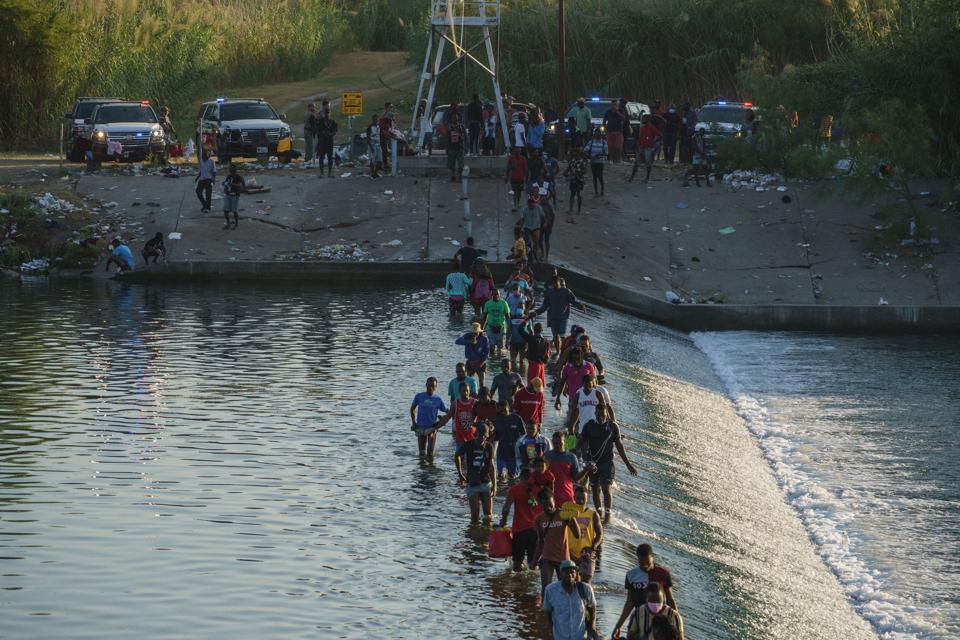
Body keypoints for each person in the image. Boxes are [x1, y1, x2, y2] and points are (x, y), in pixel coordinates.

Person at [576, 401, 637, 522]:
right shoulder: (589, 426)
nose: (600, 417)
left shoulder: (613, 427)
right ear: (595, 413)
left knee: (606, 488)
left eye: (603, 415)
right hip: (592, 463)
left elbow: (619, 446)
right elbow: (581, 442)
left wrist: (628, 465)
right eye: (598, 414)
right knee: (595, 489)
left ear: (606, 414)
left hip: (607, 463)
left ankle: (607, 516)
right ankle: (598, 515)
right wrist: (575, 454)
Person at [611, 543, 679, 639]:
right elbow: (630, 602)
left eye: (648, 562)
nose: (645, 566)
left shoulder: (664, 574)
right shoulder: (631, 575)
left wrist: (677, 622)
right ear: (637, 559)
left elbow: (670, 600)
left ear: (652, 557)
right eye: (641, 563)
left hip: (659, 622)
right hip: (639, 618)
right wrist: (618, 626)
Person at [535, 488, 580, 594]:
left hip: (563, 559)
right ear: (541, 505)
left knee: (566, 587)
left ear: (554, 500)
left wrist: (572, 518)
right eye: (545, 505)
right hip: (547, 558)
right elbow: (540, 540)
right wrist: (535, 559)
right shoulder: (539, 519)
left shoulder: (563, 515)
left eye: (550, 504)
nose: (549, 508)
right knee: (546, 589)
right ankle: (545, 609)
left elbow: (577, 535)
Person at [542, 559, 600, 640]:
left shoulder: (585, 589)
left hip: (580, 637)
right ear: (561, 574)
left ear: (576, 574)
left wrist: (592, 631)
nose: (569, 575)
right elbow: (548, 612)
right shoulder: (550, 590)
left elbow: (592, 610)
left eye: (572, 572)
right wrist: (552, 630)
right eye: (566, 572)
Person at [500, 467, 543, 571]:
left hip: (519, 531)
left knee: (517, 563)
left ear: (520, 476)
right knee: (533, 563)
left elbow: (506, 509)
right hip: (535, 530)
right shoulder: (539, 490)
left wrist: (503, 522)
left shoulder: (514, 489)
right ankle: (532, 583)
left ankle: (518, 583)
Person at [455, 421, 497, 525]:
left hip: (486, 482)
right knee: (475, 515)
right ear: (476, 434)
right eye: (479, 435)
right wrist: (460, 474)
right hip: (472, 483)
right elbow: (457, 455)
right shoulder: (469, 444)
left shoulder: (489, 447)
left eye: (484, 435)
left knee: (488, 515)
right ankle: (474, 535)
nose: (481, 437)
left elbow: (491, 467)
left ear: (487, 435)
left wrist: (494, 485)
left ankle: (487, 537)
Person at [532, 277, 585, 356]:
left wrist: (580, 305)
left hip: (563, 318)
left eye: (556, 284)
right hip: (553, 318)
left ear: (560, 283)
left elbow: (574, 301)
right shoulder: (549, 293)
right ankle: (558, 352)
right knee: (556, 336)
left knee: (562, 335)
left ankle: (564, 351)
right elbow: (544, 307)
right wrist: (535, 313)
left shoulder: (566, 291)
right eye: (553, 284)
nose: (555, 286)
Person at [566, 484, 603, 584]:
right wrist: (569, 553)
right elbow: (561, 535)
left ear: (587, 499)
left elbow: (600, 534)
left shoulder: (593, 514)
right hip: (570, 553)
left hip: (587, 554)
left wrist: (593, 547)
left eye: (583, 498)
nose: (580, 501)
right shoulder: (568, 513)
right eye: (578, 498)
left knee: (586, 584)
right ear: (573, 498)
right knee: (571, 583)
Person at [545, 431, 591, 506]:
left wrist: (586, 470)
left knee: (570, 517)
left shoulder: (571, 457)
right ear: (552, 442)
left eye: (560, 443)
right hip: (550, 495)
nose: (557, 445)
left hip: (567, 495)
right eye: (555, 443)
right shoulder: (546, 456)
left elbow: (576, 478)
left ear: (564, 442)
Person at [410, 377, 449, 459]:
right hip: (420, 427)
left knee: (430, 454)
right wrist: (414, 422)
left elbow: (447, 411)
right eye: (429, 385)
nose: (430, 387)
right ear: (426, 385)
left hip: (432, 428)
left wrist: (443, 419)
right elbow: (412, 408)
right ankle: (422, 470)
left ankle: (430, 469)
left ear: (435, 387)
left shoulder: (438, 399)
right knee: (421, 454)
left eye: (433, 386)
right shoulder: (419, 396)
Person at [555, 348, 597, 421]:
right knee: (571, 420)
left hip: (587, 399)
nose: (575, 361)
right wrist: (558, 398)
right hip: (573, 399)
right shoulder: (568, 367)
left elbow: (595, 383)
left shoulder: (589, 366)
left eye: (577, 358)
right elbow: (562, 382)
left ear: (581, 357)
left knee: (586, 419)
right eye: (573, 359)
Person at [492, 399, 525, 480]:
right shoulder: (496, 421)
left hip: (514, 454)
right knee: (500, 476)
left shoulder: (517, 418)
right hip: (501, 453)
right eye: (500, 410)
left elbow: (524, 435)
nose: (503, 412)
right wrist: (493, 454)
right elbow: (495, 439)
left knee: (512, 477)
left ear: (508, 407)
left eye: (504, 410)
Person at [455, 322, 491, 388]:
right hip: (470, 362)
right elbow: (457, 341)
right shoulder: (467, 336)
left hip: (480, 362)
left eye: (476, 333)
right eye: (473, 333)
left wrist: (480, 364)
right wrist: (468, 341)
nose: (474, 334)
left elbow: (486, 353)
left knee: (482, 382)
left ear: (479, 332)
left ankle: (481, 395)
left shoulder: (484, 339)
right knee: (469, 382)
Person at [448, 380, 478, 452]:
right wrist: (436, 427)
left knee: (470, 458)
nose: (465, 393)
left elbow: (482, 415)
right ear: (459, 391)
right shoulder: (455, 403)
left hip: (472, 436)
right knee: (459, 457)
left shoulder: (475, 403)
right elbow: (447, 417)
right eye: (463, 391)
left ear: (469, 391)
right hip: (460, 437)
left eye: (467, 391)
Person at [631, 114, 660, 184]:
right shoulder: (643, 128)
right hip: (642, 147)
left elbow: (658, 135)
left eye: (644, 119)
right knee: (636, 163)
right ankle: (632, 177)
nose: (642, 120)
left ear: (647, 120)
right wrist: (638, 145)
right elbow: (640, 138)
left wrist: (653, 142)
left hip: (648, 148)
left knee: (647, 163)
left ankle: (646, 178)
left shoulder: (652, 127)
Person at [481, 288, 511, 355]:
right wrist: (481, 329)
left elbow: (508, 317)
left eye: (497, 294)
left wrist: (510, 328)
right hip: (490, 327)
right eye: (494, 294)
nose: (495, 295)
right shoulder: (487, 303)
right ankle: (492, 361)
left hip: (501, 328)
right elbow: (484, 317)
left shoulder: (504, 303)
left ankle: (499, 362)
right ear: (491, 295)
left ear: (499, 295)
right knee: (491, 347)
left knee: (500, 348)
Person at [582, 129, 608, 196]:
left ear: (600, 134)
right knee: (594, 177)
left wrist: (596, 156)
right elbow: (585, 150)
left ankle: (602, 190)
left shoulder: (604, 142)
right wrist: (589, 156)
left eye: (598, 133)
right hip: (593, 162)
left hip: (600, 162)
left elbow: (606, 153)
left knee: (599, 176)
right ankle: (596, 191)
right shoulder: (591, 141)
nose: (597, 135)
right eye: (596, 133)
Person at [564, 147, 587, 223]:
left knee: (578, 194)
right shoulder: (573, 161)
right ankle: (571, 209)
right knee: (573, 194)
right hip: (574, 179)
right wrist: (566, 173)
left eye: (576, 154)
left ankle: (578, 210)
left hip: (579, 180)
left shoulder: (582, 161)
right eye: (574, 154)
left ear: (578, 154)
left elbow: (584, 171)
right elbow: (569, 168)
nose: (574, 155)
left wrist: (574, 174)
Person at [518, 198, 544, 262]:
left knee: (537, 241)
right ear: (528, 204)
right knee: (527, 241)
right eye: (529, 205)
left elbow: (543, 216)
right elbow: (522, 219)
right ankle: (527, 254)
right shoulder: (525, 209)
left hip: (536, 226)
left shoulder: (539, 208)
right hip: (527, 227)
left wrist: (544, 224)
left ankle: (537, 255)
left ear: (534, 203)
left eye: (532, 204)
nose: (531, 206)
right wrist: (520, 227)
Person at [315, 106, 337, 178]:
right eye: (326, 113)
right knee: (321, 157)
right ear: (324, 113)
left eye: (328, 113)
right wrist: (322, 133)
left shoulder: (333, 122)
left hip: (329, 142)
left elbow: (335, 131)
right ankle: (321, 173)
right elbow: (317, 131)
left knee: (330, 157)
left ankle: (329, 173)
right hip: (322, 142)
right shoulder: (320, 122)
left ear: (330, 113)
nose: (327, 114)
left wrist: (331, 134)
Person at [603, 99, 626, 164]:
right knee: (610, 146)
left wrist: (617, 112)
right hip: (610, 132)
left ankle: (618, 159)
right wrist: (604, 128)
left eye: (615, 104)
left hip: (618, 131)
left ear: (617, 105)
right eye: (613, 104)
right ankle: (611, 159)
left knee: (618, 147)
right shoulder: (608, 112)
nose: (614, 106)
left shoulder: (621, 110)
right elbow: (604, 121)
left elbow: (624, 118)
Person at [505, 146, 527, 211]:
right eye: (517, 151)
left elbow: (525, 168)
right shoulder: (511, 159)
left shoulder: (523, 158)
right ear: (514, 152)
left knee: (519, 192)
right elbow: (508, 168)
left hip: (521, 178)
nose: (518, 153)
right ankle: (515, 205)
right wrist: (506, 177)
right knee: (515, 191)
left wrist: (526, 178)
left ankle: (518, 202)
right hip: (513, 178)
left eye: (519, 152)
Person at [222, 164, 244, 229]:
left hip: (235, 195)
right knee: (225, 210)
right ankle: (228, 223)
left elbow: (240, 185)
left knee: (234, 211)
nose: (230, 170)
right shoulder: (229, 176)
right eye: (230, 168)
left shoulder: (238, 177)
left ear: (235, 170)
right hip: (228, 194)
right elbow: (226, 183)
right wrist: (224, 184)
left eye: (232, 169)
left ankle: (236, 224)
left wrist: (231, 184)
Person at [446, 113, 466, 182]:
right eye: (453, 117)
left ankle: (460, 176)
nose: (454, 119)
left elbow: (465, 137)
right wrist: (447, 148)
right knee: (451, 164)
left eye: (456, 117)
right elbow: (447, 138)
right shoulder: (449, 127)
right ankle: (453, 176)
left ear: (458, 118)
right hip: (452, 147)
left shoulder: (461, 127)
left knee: (461, 164)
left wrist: (466, 147)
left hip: (460, 147)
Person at [378, 102, 395, 171]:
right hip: (383, 135)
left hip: (387, 134)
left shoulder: (389, 115)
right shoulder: (385, 115)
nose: (392, 108)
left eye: (392, 107)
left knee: (386, 150)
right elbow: (382, 127)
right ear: (387, 107)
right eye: (390, 107)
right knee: (384, 150)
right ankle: (383, 165)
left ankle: (386, 164)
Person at [366, 113, 382, 178]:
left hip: (378, 145)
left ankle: (375, 172)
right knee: (372, 160)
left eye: (377, 119)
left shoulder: (379, 127)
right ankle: (372, 173)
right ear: (373, 120)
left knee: (380, 161)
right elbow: (368, 138)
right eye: (375, 119)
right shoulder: (370, 127)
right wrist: (371, 146)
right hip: (372, 145)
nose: (376, 120)